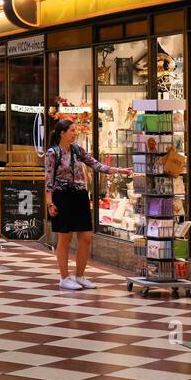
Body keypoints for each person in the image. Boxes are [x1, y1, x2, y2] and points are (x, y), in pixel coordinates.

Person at [46, 118, 133, 290]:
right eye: (72, 130)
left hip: (80, 195)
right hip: (62, 196)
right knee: (65, 238)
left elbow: (96, 165)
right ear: (62, 133)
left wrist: (119, 170)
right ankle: (64, 278)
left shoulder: (77, 150)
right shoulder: (53, 152)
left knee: (86, 237)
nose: (75, 133)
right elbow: (48, 179)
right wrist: (50, 203)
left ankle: (79, 276)